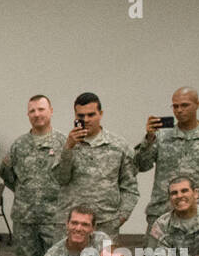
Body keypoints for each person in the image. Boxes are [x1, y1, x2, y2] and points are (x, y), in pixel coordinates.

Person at [134, 87, 199, 232]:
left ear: (197, 104)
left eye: (184, 105)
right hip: (162, 214)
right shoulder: (161, 137)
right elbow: (141, 165)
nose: (179, 110)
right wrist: (149, 139)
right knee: (156, 255)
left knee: (198, 255)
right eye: (175, 106)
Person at [53, 92, 138, 238]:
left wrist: (121, 217)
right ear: (75, 116)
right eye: (80, 116)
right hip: (71, 225)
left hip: (105, 224)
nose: (86, 120)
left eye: (91, 115)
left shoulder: (118, 146)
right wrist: (68, 148)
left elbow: (130, 187)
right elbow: (61, 179)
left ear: (101, 114)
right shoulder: (64, 144)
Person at [0, 94, 65, 256]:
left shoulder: (64, 143)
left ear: (51, 111)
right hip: (25, 220)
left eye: (41, 109)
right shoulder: (19, 145)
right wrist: (26, 192)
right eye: (32, 111)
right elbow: (7, 175)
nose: (37, 114)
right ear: (28, 115)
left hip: (54, 218)